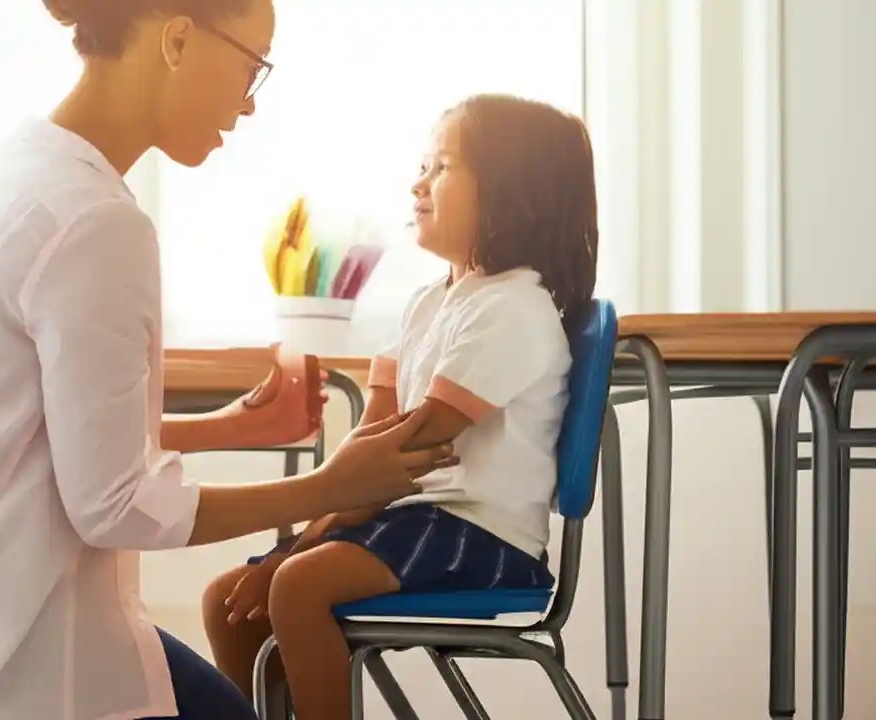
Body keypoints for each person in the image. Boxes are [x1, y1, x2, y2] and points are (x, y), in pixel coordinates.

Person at [0, 1, 455, 718]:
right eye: (252, 66)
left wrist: (227, 429)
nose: (250, 104)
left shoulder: (19, 165)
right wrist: (327, 487)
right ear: (178, 39)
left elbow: (23, 426)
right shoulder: (97, 221)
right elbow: (114, 508)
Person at [202, 94, 600, 719]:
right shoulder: (426, 305)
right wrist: (299, 542)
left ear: (512, 191)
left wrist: (294, 552)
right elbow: (364, 451)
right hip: (410, 518)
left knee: (299, 585)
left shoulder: (513, 309)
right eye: (423, 166)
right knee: (227, 600)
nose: (418, 183)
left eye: (442, 167)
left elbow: (402, 457)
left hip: (482, 534)